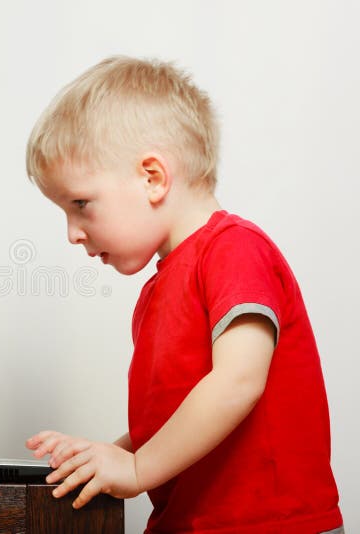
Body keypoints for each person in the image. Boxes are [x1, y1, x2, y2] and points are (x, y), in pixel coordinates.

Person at [23, 56, 343, 533]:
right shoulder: (156, 293)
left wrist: (135, 469)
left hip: (270, 524)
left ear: (153, 178)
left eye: (81, 204)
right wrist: (110, 455)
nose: (73, 233)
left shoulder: (234, 249)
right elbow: (176, 415)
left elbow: (238, 381)